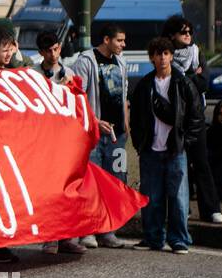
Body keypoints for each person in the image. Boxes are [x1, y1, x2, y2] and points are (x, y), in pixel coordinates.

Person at [128, 36, 202, 253]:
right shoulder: (144, 86)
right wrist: (140, 144)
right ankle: (153, 238)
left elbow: (196, 117)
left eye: (166, 53)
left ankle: (179, 240)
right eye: (158, 54)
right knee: (152, 199)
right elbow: (136, 120)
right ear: (151, 58)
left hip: (175, 150)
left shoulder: (183, 83)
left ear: (171, 56)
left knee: (179, 199)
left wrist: (184, 142)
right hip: (150, 150)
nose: (162, 58)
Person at [67, 22, 130, 251]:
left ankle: (108, 231)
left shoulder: (121, 62)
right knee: (91, 184)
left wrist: (125, 124)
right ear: (106, 40)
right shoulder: (86, 62)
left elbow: (123, 95)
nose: (123, 44)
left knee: (114, 182)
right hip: (93, 135)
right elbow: (78, 97)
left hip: (116, 135)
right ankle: (88, 231)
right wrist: (94, 122)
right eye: (119, 40)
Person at [163, 15, 222, 223]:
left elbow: (204, 83)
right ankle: (182, 207)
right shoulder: (165, 54)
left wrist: (190, 78)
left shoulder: (197, 52)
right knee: (179, 165)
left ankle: (211, 209)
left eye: (190, 32)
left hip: (196, 120)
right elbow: (171, 83)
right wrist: (192, 77)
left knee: (201, 163)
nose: (188, 35)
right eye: (183, 32)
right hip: (175, 120)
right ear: (172, 35)